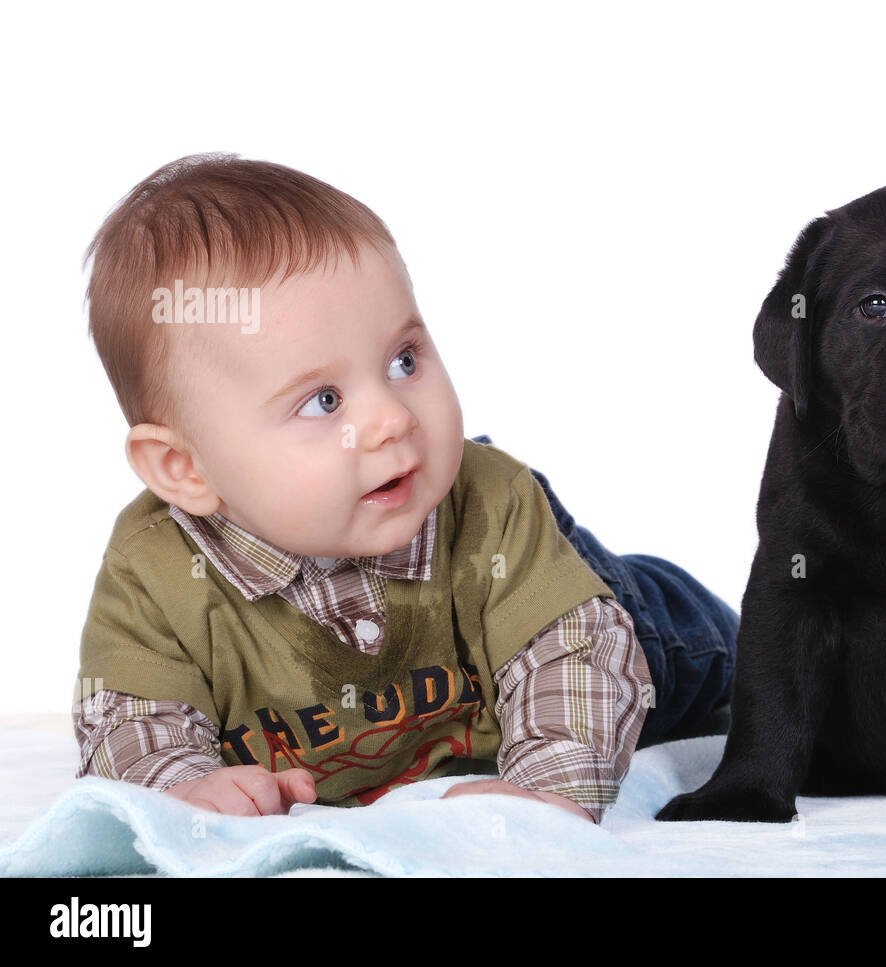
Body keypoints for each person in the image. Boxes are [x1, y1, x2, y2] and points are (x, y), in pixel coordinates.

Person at [73, 153, 736, 824]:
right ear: (184, 468)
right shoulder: (153, 574)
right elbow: (128, 724)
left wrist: (548, 790)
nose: (393, 417)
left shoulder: (489, 507)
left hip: (578, 608)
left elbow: (578, 653)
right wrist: (184, 791)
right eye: (324, 400)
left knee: (699, 652)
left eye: (403, 361)